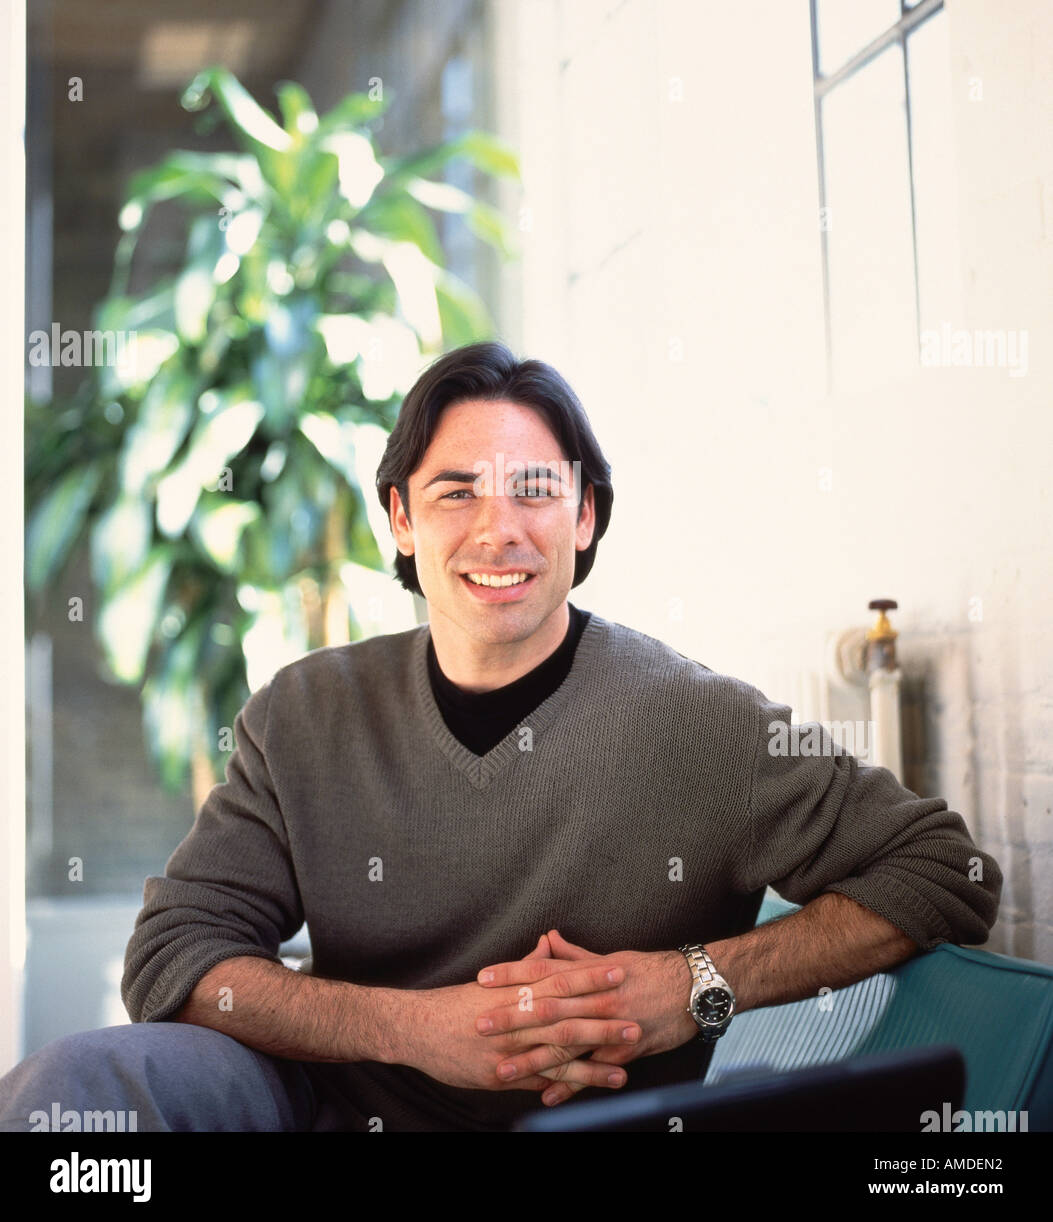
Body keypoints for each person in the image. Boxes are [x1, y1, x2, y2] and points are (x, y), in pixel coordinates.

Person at [1, 341, 1002, 1132]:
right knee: (73, 1087)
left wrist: (688, 983)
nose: (499, 529)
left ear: (584, 515)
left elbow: (947, 869)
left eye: (534, 489)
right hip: (335, 1114)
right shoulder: (304, 715)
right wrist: (412, 1029)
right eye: (455, 492)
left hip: (607, 1131)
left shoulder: (700, 723)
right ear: (398, 518)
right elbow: (173, 957)